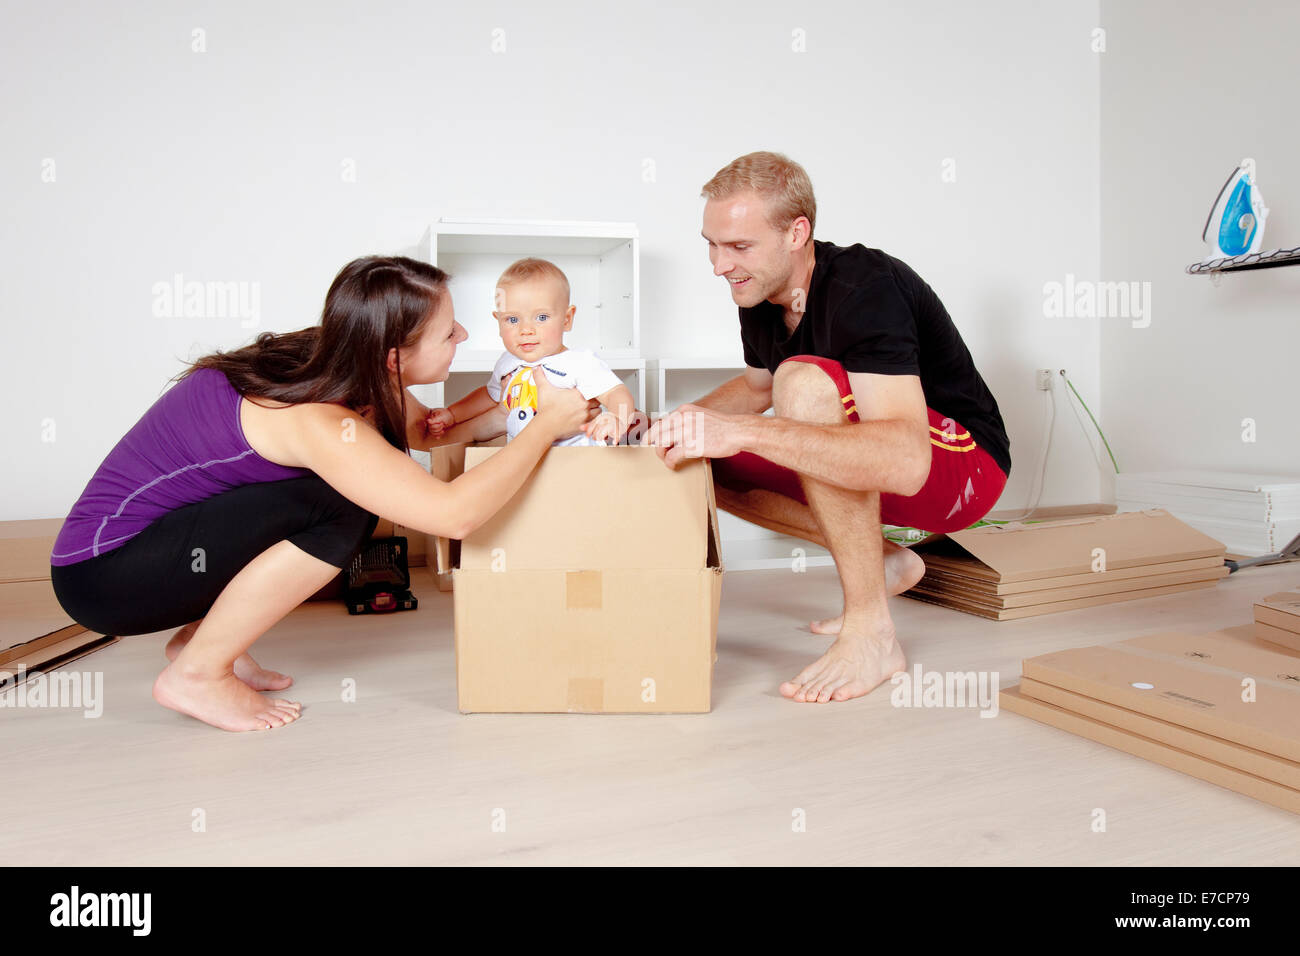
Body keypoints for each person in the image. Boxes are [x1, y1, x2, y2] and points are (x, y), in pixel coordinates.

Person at [49, 256, 598, 733]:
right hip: (105, 574)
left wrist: (527, 415)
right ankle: (197, 674)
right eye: (448, 331)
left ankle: (204, 639)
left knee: (353, 482)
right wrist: (546, 429)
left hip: (156, 546)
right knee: (346, 503)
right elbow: (453, 516)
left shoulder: (342, 355)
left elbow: (426, 428)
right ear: (393, 356)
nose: (464, 337)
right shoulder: (315, 420)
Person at [642, 151, 1012, 705]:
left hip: (963, 469)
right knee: (693, 458)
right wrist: (666, 428)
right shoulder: (760, 292)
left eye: (739, 247)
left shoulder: (865, 286)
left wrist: (742, 433)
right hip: (888, 469)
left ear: (797, 232)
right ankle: (886, 560)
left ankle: (873, 634)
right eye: (711, 245)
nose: (720, 265)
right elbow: (756, 388)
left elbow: (907, 462)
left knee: (805, 381)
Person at [426, 257, 641, 446]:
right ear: (498, 322)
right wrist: (453, 414)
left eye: (541, 317)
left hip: (575, 463)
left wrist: (617, 418)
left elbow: (615, 393)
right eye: (512, 319)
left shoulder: (579, 363)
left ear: (567, 319)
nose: (526, 330)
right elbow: (489, 396)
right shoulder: (506, 363)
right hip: (524, 463)